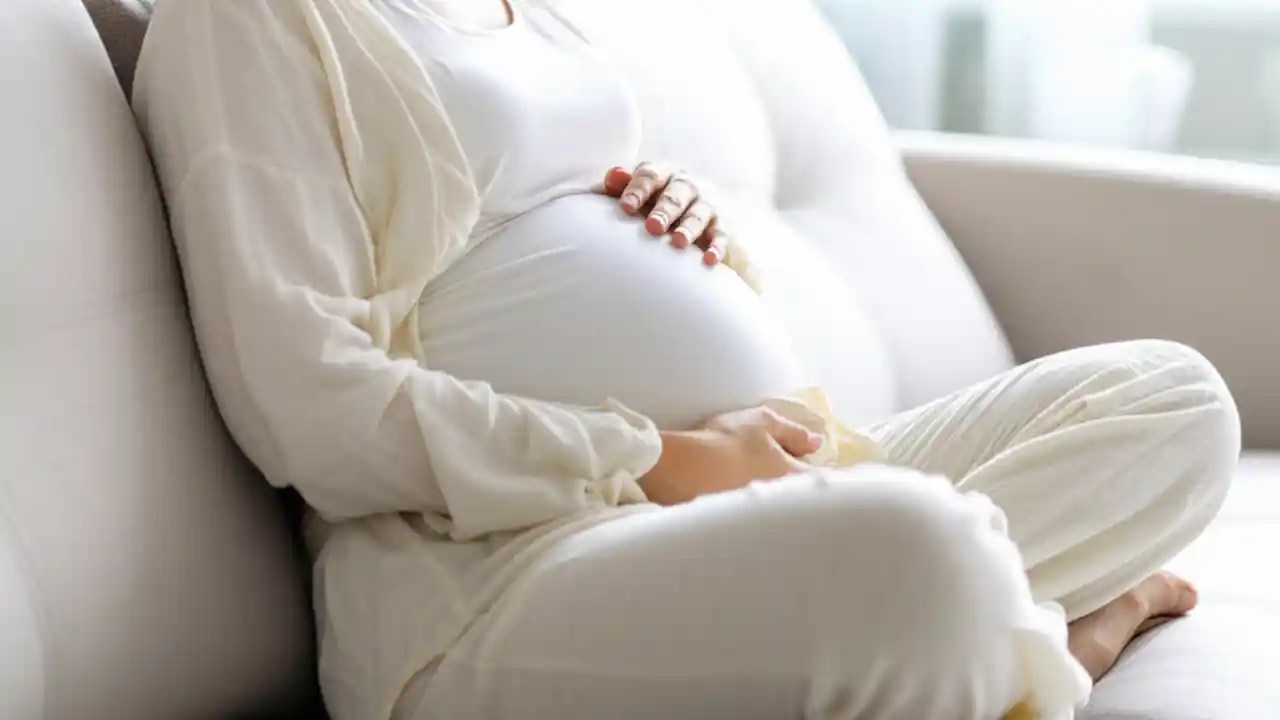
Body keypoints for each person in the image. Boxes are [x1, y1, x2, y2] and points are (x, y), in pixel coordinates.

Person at [132, 0, 1240, 718]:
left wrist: (683, 219)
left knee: (1169, 400)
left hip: (749, 488)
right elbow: (306, 408)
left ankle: (976, 650)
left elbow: (541, 234)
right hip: (502, 571)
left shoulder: (528, 16)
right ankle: (1062, 648)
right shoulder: (254, 19)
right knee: (919, 555)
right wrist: (663, 458)